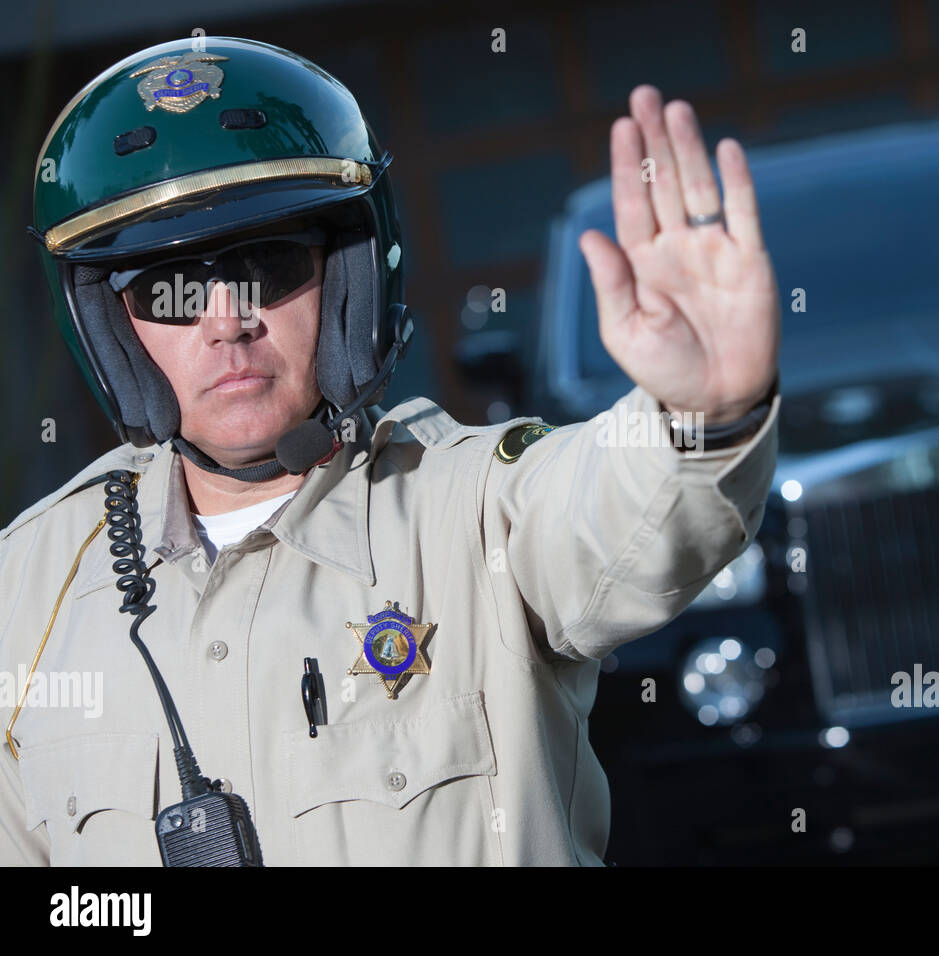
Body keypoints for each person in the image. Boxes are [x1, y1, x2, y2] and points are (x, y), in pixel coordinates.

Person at [0, 36, 779, 866]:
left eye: (267, 265)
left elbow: (626, 515)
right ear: (111, 329)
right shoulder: (26, 594)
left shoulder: (480, 513)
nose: (225, 321)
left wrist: (704, 410)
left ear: (348, 282)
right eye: (168, 291)